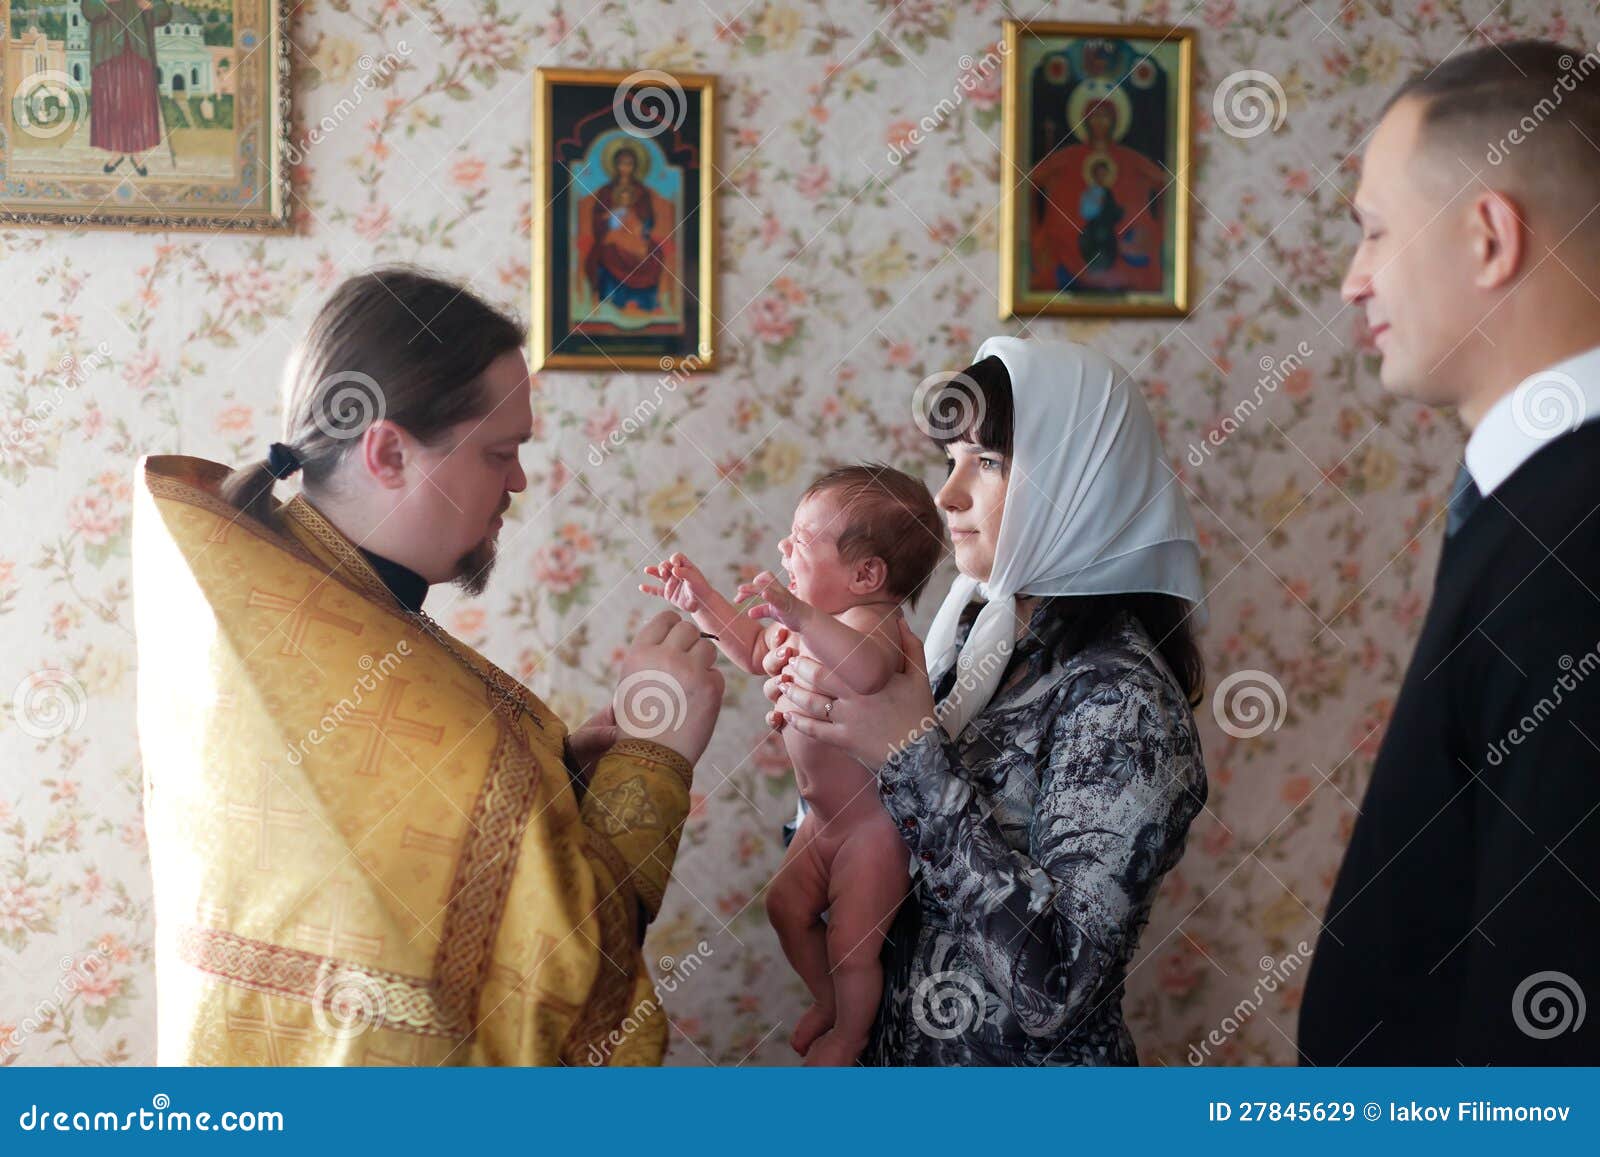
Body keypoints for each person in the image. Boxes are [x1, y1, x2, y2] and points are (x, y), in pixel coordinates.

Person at [134, 267, 723, 1065]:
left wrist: (555, 783)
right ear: (387, 451)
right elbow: (564, 985)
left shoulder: (279, 614)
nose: (517, 481)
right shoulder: (366, 680)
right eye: (499, 453)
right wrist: (658, 760)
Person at [764, 337, 1208, 1064]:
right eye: (952, 459)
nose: (947, 493)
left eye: (990, 461)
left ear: (1077, 481)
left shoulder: (1122, 703)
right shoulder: (970, 635)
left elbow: (1055, 987)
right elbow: (893, 864)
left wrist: (910, 756)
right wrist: (821, 731)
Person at [1299, 40, 1600, 1064]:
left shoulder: (1575, 554)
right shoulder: (1538, 503)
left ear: (1487, 237)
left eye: (1373, 233)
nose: (1352, 282)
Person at [640, 465, 943, 1065]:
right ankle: (830, 1002)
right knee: (785, 909)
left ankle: (852, 1034)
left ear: (866, 575)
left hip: (872, 831)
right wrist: (700, 600)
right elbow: (754, 652)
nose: (784, 547)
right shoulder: (816, 622)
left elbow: (868, 673)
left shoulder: (870, 627)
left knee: (852, 944)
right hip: (820, 820)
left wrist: (802, 618)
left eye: (801, 541)